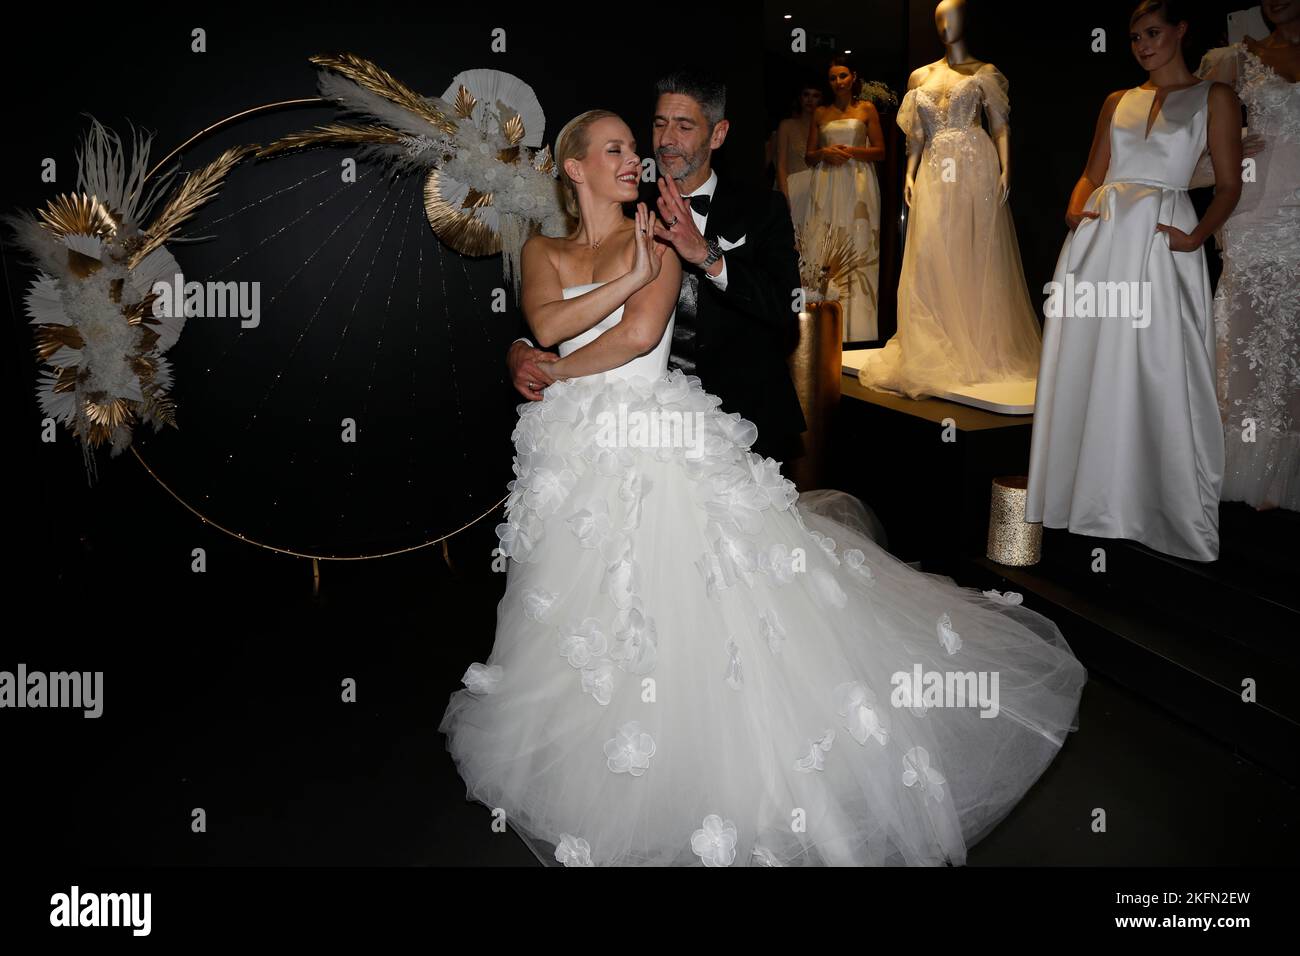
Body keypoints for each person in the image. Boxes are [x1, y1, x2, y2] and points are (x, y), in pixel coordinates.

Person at [439, 107, 1087, 867]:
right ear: (573, 168)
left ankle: (711, 764)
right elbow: (545, 323)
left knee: (685, 606)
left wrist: (588, 329)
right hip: (573, 452)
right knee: (579, 605)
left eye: (635, 145)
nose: (635, 158)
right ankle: (594, 746)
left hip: (658, 442)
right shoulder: (545, 249)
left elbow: (637, 337)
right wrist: (582, 316)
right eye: (615, 148)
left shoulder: (658, 238)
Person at [1026, 0, 1244, 561]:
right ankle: (1088, 498)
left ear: (1180, 31)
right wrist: (1076, 210)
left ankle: (1153, 504)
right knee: (1090, 360)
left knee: (1160, 362)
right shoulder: (1117, 101)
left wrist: (1195, 240)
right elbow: (1092, 173)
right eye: (1134, 38)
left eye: (1153, 33)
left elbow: (1227, 185)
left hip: (1160, 237)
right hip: (1099, 243)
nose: (1144, 45)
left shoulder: (1215, 97)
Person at [507, 71, 806, 463]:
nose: (666, 139)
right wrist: (520, 349)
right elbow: (554, 307)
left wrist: (706, 255)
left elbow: (784, 307)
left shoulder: (761, 209)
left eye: (684, 126)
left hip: (743, 421)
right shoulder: (626, 204)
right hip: (633, 430)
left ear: (717, 135)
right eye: (660, 124)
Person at [858, 0, 1041, 396]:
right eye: (939, 19)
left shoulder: (984, 72)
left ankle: (977, 346)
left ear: (965, 22)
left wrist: (1007, 168)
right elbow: (916, 137)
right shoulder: (919, 76)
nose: (945, 26)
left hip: (974, 166)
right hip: (934, 170)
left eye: (952, 17)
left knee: (972, 249)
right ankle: (935, 347)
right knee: (929, 252)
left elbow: (1001, 126)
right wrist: (908, 173)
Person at [1197, 0, 1300, 512]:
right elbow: (1185, 137)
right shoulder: (1234, 59)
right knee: (1245, 348)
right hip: (1257, 218)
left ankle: (1286, 481)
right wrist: (1231, 142)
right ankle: (1243, 478)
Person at [799, 56, 884, 342]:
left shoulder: (867, 109)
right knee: (824, 249)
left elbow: (880, 151)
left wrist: (850, 151)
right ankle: (824, 330)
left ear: (853, 77)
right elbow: (809, 156)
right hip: (827, 182)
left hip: (858, 182)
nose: (838, 82)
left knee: (859, 247)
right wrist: (825, 153)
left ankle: (859, 331)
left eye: (843, 76)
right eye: (833, 77)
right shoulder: (820, 113)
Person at [774, 83, 821, 204]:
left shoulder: (824, 129)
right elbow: (781, 165)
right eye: (806, 94)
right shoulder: (787, 126)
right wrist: (784, 196)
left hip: (820, 191)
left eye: (815, 95)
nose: (810, 100)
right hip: (793, 189)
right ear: (800, 98)